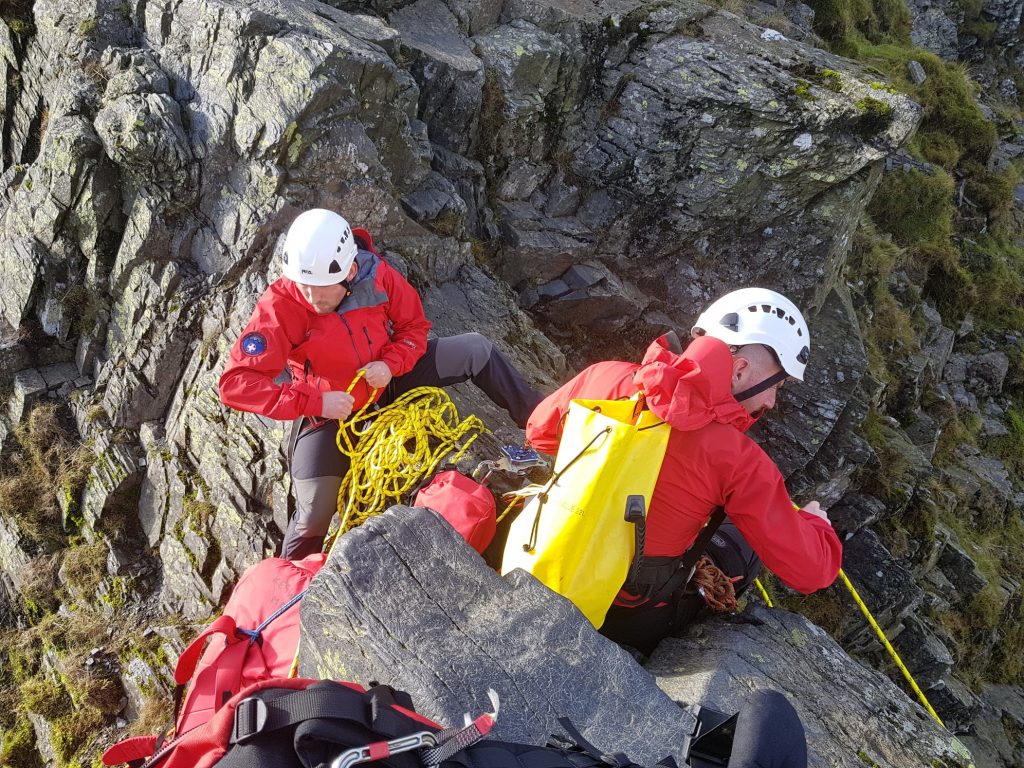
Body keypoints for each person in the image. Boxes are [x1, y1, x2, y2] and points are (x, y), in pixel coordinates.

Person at [525, 287, 842, 655]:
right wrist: (818, 524)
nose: (771, 401)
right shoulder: (740, 461)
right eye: (777, 385)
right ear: (739, 370)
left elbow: (540, 434)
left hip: (540, 556)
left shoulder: (605, 375)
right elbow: (812, 572)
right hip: (624, 611)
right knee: (742, 545)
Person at [219, 208, 542, 559]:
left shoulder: (376, 275)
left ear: (350, 271)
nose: (311, 298)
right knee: (313, 512)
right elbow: (236, 383)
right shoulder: (282, 304)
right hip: (332, 411)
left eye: (321, 288)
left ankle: (546, 423)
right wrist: (316, 402)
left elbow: (414, 327)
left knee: (475, 349)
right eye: (303, 286)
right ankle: (288, 585)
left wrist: (390, 365)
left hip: (387, 381)